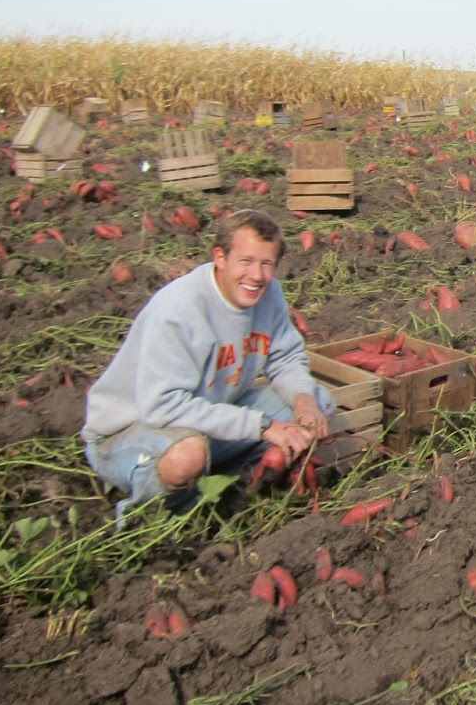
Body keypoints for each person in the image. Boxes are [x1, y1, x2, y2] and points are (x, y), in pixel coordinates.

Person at [82, 209, 336, 517]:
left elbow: (285, 358)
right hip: (131, 432)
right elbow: (163, 407)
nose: (256, 276)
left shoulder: (269, 295)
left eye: (267, 264)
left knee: (316, 404)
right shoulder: (178, 310)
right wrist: (261, 426)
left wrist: (304, 401)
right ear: (220, 257)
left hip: (205, 419)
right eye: (246, 261)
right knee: (187, 454)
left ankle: (239, 489)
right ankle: (153, 520)